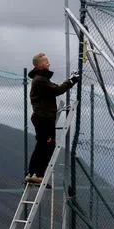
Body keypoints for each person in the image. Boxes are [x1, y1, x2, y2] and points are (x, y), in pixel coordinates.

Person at [24, 52, 79, 185]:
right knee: (47, 145)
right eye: (46, 61)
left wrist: (69, 81)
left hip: (41, 117)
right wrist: (72, 81)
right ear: (40, 64)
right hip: (44, 118)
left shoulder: (40, 80)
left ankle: (32, 174)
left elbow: (54, 88)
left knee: (41, 144)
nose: (49, 63)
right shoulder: (40, 80)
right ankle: (38, 174)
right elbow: (57, 90)